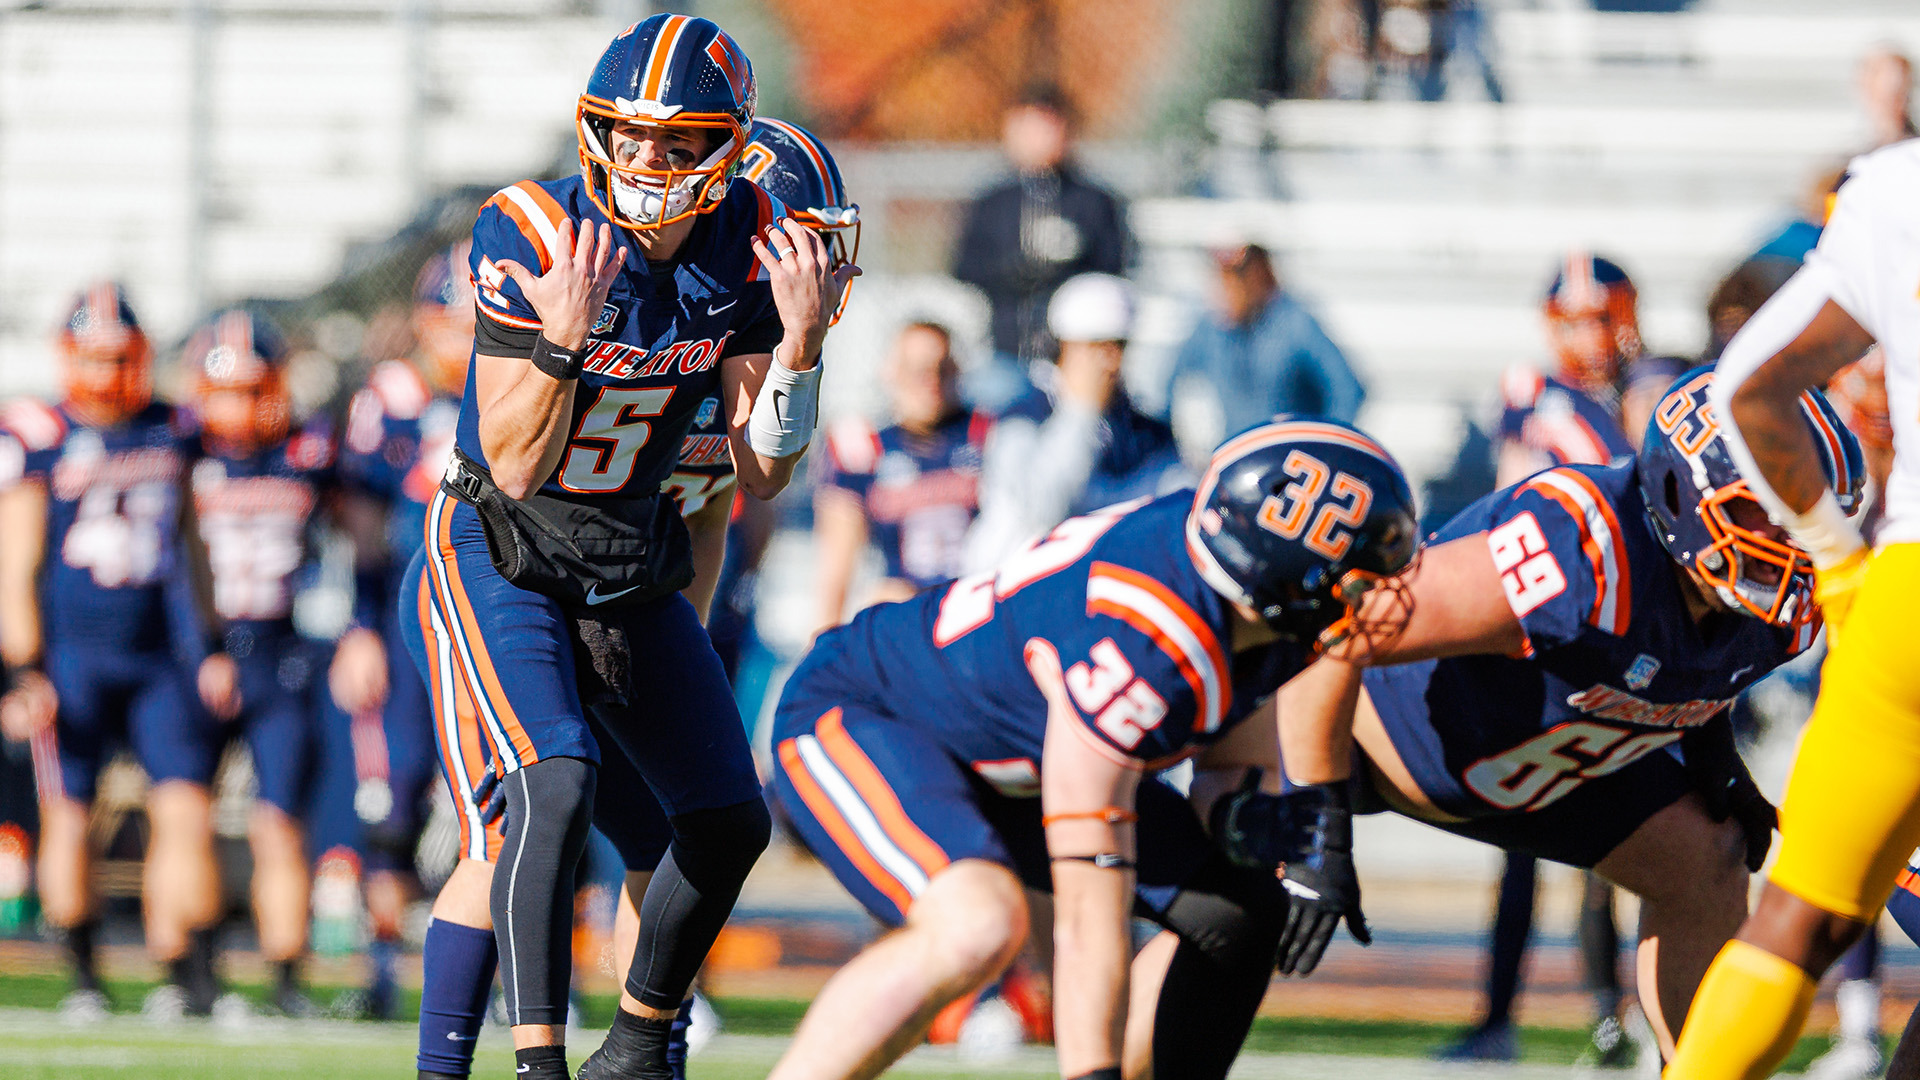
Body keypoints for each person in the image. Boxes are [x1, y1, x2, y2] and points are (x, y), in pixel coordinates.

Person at [398, 13, 856, 1069]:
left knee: (726, 820)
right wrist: (564, 341)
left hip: (628, 559)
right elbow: (513, 467)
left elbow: (756, 475)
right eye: (632, 134)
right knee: (545, 791)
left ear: (727, 151)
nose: (648, 160)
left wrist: (801, 345)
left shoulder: (740, 244)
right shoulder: (536, 228)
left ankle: (642, 1049)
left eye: (678, 140)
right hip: (503, 544)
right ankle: (526, 1063)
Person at [764, 418, 1420, 1080]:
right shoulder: (1145, 638)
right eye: (1356, 575)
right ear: (1280, 577)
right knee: (977, 926)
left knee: (1239, 908)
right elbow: (1087, 909)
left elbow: (1227, 774)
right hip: (867, 715)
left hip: (1020, 760)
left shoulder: (1254, 611)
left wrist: (1255, 825)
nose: (1376, 597)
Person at [1255, 368, 1862, 1066]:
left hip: (1535, 766)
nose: (1797, 533)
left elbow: (1681, 660)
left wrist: (1714, 757)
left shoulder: (1778, 609)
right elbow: (1335, 629)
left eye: (1810, 504)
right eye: (1766, 506)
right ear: (1680, 494)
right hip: (1379, 738)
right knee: (1219, 908)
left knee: (1709, 859)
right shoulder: (1582, 548)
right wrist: (1314, 820)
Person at [1662, 140, 1920, 1080]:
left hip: (1908, 592)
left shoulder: (1899, 189)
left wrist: (1840, 563)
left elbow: (1748, 391)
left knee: (1794, 919)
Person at [0, 284, 238, 1021]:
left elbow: (193, 547)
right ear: (68, 357)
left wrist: (210, 642)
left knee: (186, 810)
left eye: (119, 357)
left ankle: (187, 977)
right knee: (69, 814)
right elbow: (17, 559)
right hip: (71, 655)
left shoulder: (172, 427)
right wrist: (23, 668)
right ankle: (83, 976)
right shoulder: (40, 430)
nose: (107, 373)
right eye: (95, 357)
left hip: (161, 653)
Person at [330, 244, 478, 1030]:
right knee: (391, 802)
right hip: (404, 619)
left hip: (493, 619)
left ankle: (508, 980)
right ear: (426, 323)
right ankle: (381, 969)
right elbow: (362, 530)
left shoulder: (527, 383)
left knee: (505, 804)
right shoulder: (391, 398)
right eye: (457, 324)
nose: (469, 341)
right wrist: (358, 628)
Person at [184, 309, 337, 1018]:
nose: (240, 408)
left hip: (281, 652)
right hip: (199, 655)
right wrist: (202, 650)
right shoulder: (179, 453)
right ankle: (191, 979)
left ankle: (285, 984)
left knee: (281, 823)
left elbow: (355, 544)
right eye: (226, 392)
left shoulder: (308, 451)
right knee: (185, 817)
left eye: (253, 390)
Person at [964, 273, 1185, 573]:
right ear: (1061, 347)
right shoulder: (1022, 417)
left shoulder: (1143, 432)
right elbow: (1042, 508)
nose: (1110, 362)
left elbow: (1172, 504)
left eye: (1118, 346)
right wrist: (1081, 413)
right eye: (1095, 347)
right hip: (1017, 580)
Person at [952, 85, 1129, 413]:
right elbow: (966, 268)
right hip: (1007, 352)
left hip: (1074, 360)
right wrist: (1017, 270)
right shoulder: (993, 203)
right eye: (1030, 127)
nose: (1040, 138)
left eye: (1049, 127)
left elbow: (1113, 269)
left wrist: (1065, 270)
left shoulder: (1093, 202)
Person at [814, 321, 986, 633]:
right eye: (917, 370)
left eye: (941, 369)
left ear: (957, 370)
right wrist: (823, 640)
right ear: (891, 372)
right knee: (885, 599)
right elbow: (837, 567)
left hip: (981, 605)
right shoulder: (864, 448)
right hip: (906, 613)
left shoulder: (989, 436)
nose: (931, 381)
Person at [1164, 244, 1365, 454]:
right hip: (1235, 460)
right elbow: (1165, 388)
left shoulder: (1295, 323)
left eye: (1236, 277)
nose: (1225, 289)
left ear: (1258, 275)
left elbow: (1348, 390)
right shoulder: (1210, 329)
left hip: (1290, 461)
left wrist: (1322, 449)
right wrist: (1174, 450)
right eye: (1221, 277)